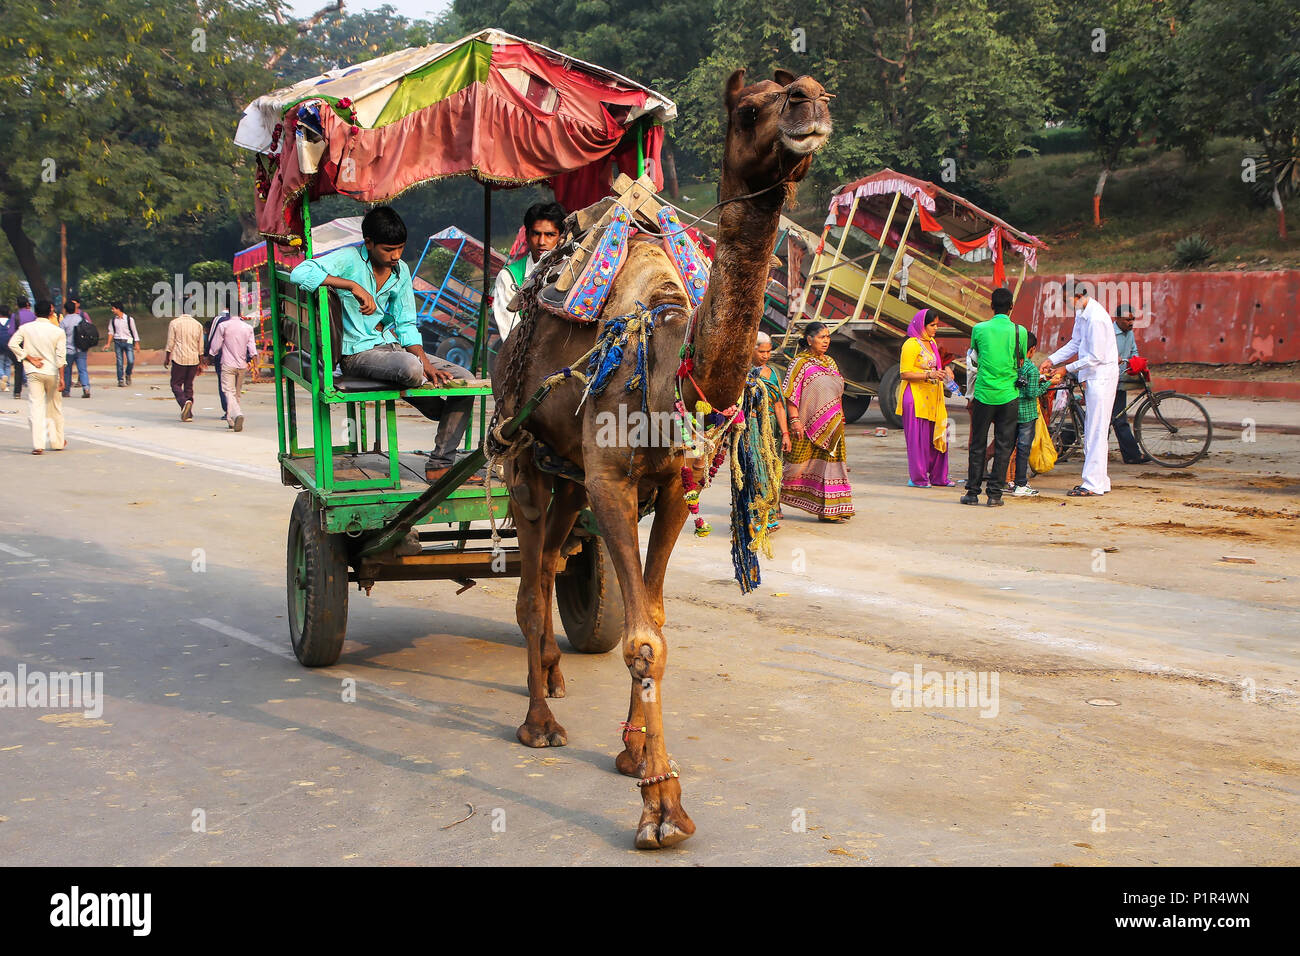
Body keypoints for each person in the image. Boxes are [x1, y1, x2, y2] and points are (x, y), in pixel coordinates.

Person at [290, 205, 476, 481]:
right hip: (356, 355)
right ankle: (411, 383)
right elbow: (300, 274)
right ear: (369, 243)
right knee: (411, 370)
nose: (396, 256)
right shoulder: (349, 260)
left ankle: (440, 463)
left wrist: (428, 365)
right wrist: (352, 286)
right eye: (389, 249)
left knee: (466, 379)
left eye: (400, 248)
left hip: (392, 349)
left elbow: (406, 324)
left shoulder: (400, 271)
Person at [1041, 286, 1121, 497]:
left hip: (1101, 376)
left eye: (1068, 299)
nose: (1066, 304)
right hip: (1093, 376)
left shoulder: (1096, 318)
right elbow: (1075, 343)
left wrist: (1066, 368)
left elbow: (1095, 357)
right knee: (1095, 429)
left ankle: (1092, 483)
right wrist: (1052, 359)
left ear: (1079, 296)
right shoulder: (1082, 314)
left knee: (1095, 429)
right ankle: (1100, 481)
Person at [781, 322, 854, 522]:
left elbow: (837, 390)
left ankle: (830, 510)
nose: (826, 341)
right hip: (805, 425)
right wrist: (795, 421)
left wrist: (841, 415)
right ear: (809, 339)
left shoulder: (830, 362)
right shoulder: (800, 363)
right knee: (796, 465)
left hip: (833, 424)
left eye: (828, 337)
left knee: (830, 466)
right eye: (822, 337)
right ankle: (772, 499)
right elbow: (790, 394)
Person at [962, 287, 1026, 507]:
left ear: (991, 306)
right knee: (1003, 444)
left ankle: (972, 493)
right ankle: (995, 494)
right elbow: (1021, 359)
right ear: (1011, 307)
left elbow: (975, 355)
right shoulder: (1020, 331)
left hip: (983, 393)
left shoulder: (978, 329)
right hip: (1008, 394)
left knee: (977, 443)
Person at [897, 308, 955, 488]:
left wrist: (945, 370)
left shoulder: (931, 342)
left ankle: (939, 477)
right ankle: (918, 478)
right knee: (918, 440)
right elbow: (904, 373)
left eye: (937, 325)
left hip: (933, 398)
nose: (935, 328)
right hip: (915, 398)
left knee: (940, 434)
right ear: (921, 325)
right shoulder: (911, 344)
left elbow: (937, 364)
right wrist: (929, 375)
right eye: (932, 325)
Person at [491, 201, 566, 339]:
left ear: (561, 238)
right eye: (536, 234)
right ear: (527, 235)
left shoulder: (571, 270)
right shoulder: (509, 277)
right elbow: (511, 337)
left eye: (550, 235)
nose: (541, 242)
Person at [8, 300, 67, 454]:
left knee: (36, 407)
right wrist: (62, 378)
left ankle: (38, 445)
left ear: (35, 312)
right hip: (52, 372)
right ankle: (57, 442)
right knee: (54, 407)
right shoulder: (58, 331)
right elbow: (61, 357)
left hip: (33, 372)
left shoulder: (26, 328)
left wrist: (29, 357)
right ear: (50, 313)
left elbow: (12, 344)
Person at [1009, 331, 1060, 497]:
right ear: (1031, 350)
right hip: (1027, 414)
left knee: (1009, 447)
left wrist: (1043, 379)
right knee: (1023, 448)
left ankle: (1005, 481)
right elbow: (1032, 393)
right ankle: (1020, 484)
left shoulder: (1012, 364)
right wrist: (1049, 383)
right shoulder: (1030, 368)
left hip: (1011, 410)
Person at [753, 331, 791, 528]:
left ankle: (771, 511)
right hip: (751, 427)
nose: (766, 356)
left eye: (768, 352)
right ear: (752, 349)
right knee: (755, 469)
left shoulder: (774, 373)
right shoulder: (743, 372)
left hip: (772, 428)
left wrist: (785, 433)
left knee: (772, 469)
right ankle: (757, 514)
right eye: (762, 351)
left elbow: (778, 405)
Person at [1111, 304, 1151, 464]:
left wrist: (1137, 363)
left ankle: (1131, 454)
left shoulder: (1130, 334)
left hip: (1120, 381)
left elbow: (1134, 352)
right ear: (1117, 319)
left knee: (1117, 417)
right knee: (1114, 419)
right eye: (1127, 319)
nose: (1131, 323)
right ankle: (1132, 455)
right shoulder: (1109, 333)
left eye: (1133, 319)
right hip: (1106, 381)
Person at [208, 314, 257, 432]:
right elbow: (252, 348)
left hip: (228, 364)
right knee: (237, 394)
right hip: (242, 365)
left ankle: (237, 414)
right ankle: (231, 420)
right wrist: (255, 365)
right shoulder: (248, 327)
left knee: (228, 392)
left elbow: (216, 346)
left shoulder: (223, 326)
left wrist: (210, 355)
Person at [164, 312, 204, 422]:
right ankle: (188, 413)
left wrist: (167, 357)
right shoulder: (198, 325)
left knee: (175, 384)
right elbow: (200, 346)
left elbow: (170, 342)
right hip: (193, 359)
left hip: (179, 358)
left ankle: (184, 403)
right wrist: (200, 363)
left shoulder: (174, 323)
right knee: (188, 385)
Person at [204, 308, 235, 421]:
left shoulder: (218, 319)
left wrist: (207, 354)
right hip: (238, 358)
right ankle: (235, 409)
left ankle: (228, 409)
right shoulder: (240, 320)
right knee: (234, 385)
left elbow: (212, 338)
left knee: (224, 384)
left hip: (222, 358)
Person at [59, 299, 91, 398]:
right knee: (82, 369)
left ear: (66, 310)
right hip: (81, 349)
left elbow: (60, 336)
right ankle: (86, 388)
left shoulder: (64, 322)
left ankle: (66, 391)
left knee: (67, 370)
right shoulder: (81, 319)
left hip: (68, 350)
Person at [105, 302, 140, 386]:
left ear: (118, 309)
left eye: (113, 308)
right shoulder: (113, 320)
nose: (112, 310)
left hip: (128, 341)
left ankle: (128, 374)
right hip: (118, 341)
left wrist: (137, 343)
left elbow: (134, 331)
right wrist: (108, 344)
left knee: (131, 360)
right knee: (119, 362)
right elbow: (111, 332)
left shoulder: (129, 319)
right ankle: (120, 379)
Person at [11, 296, 37, 397]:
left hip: (19, 345)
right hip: (31, 344)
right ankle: (34, 390)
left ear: (17, 305)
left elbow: (11, 332)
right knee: (31, 368)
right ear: (27, 304)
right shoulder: (33, 316)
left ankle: (17, 392)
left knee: (18, 369)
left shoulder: (15, 315)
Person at [0, 305, 13, 392]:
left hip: (0, 347)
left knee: (0, 363)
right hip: (9, 346)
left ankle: (2, 375)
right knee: (7, 365)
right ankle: (7, 384)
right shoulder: (11, 322)